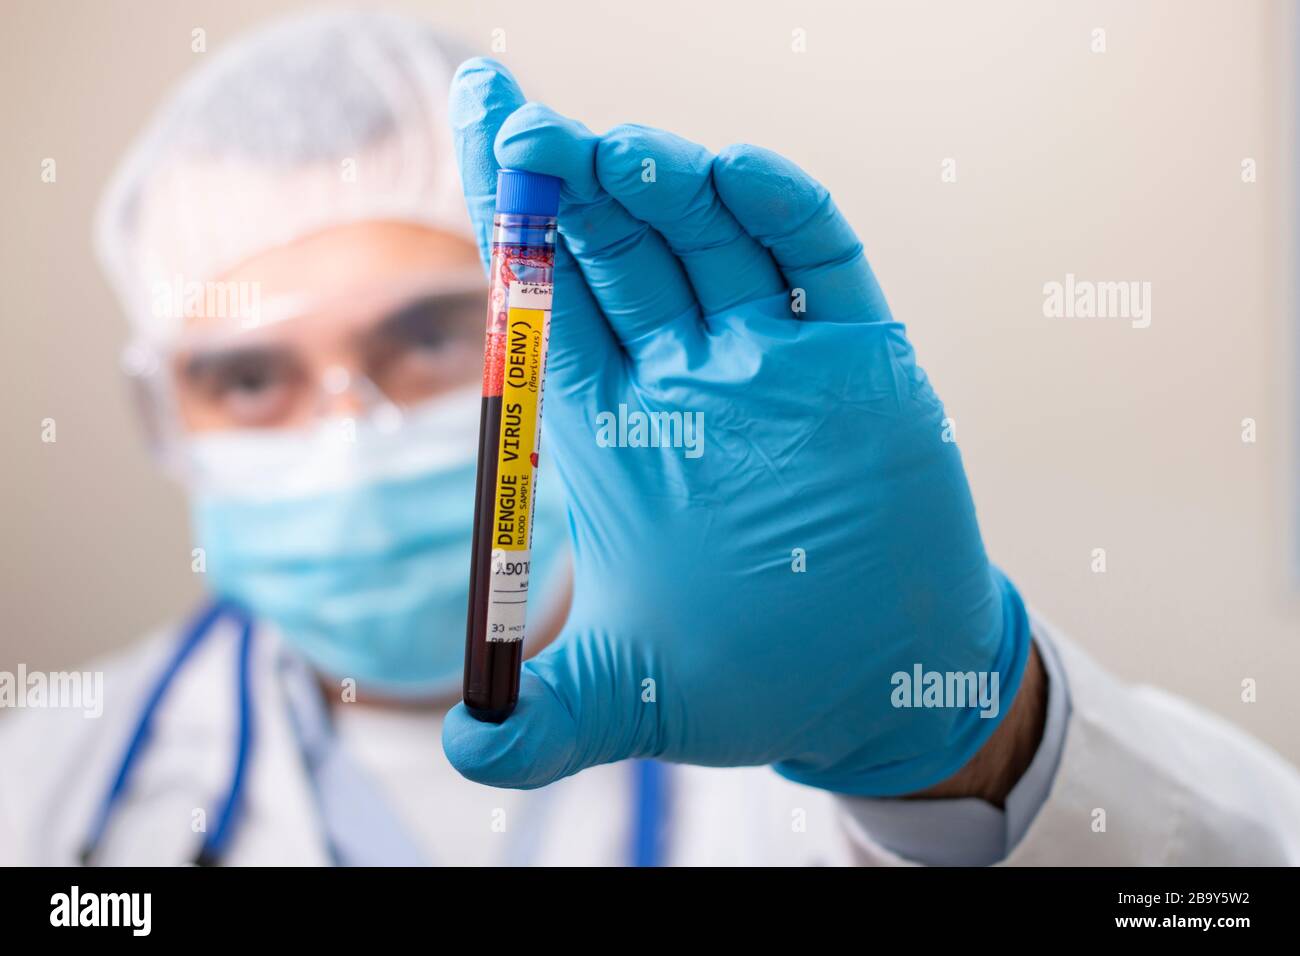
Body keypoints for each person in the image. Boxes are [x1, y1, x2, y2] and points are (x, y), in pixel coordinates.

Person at [2, 9, 1298, 867]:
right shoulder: (47, 790)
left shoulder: (796, 721)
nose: (350, 431)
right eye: (248, 376)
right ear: (169, 414)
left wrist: (972, 746)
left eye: (429, 339)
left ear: (542, 330)